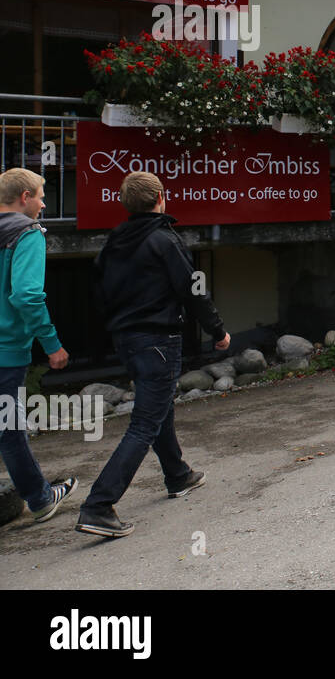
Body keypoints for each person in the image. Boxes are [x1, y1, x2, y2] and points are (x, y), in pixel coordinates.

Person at [77, 172, 229, 538]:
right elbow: (194, 289)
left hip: (126, 339)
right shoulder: (164, 239)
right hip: (158, 340)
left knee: (158, 408)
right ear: (161, 197)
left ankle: (178, 475)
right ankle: (98, 506)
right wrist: (218, 331)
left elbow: (97, 291)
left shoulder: (115, 241)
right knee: (144, 422)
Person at [0, 169, 76, 524]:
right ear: (25, 196)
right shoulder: (26, 234)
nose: (45, 204)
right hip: (6, 351)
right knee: (10, 429)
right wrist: (52, 344)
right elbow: (26, 295)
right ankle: (41, 499)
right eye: (41, 196)